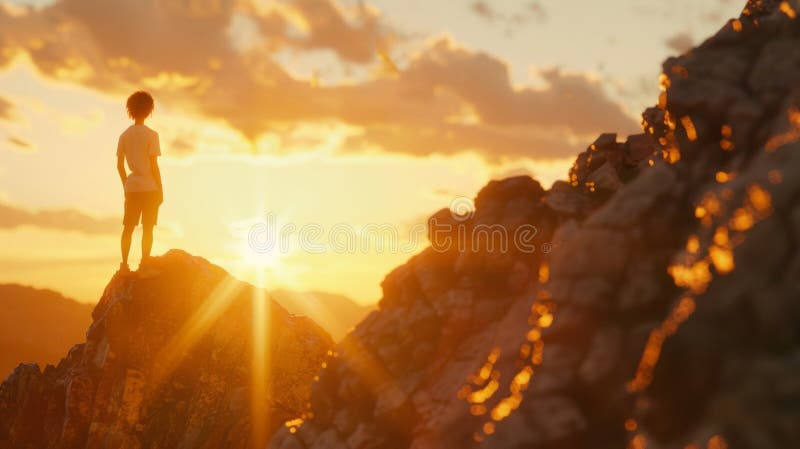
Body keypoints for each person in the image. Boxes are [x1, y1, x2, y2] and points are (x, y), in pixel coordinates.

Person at [116, 91, 163, 274]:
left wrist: (126, 184)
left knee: (128, 227)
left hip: (132, 187)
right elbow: (154, 165)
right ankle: (144, 265)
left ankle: (124, 266)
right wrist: (161, 189)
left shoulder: (124, 135)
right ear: (149, 110)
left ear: (130, 110)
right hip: (150, 187)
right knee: (148, 228)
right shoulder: (152, 135)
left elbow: (119, 165)